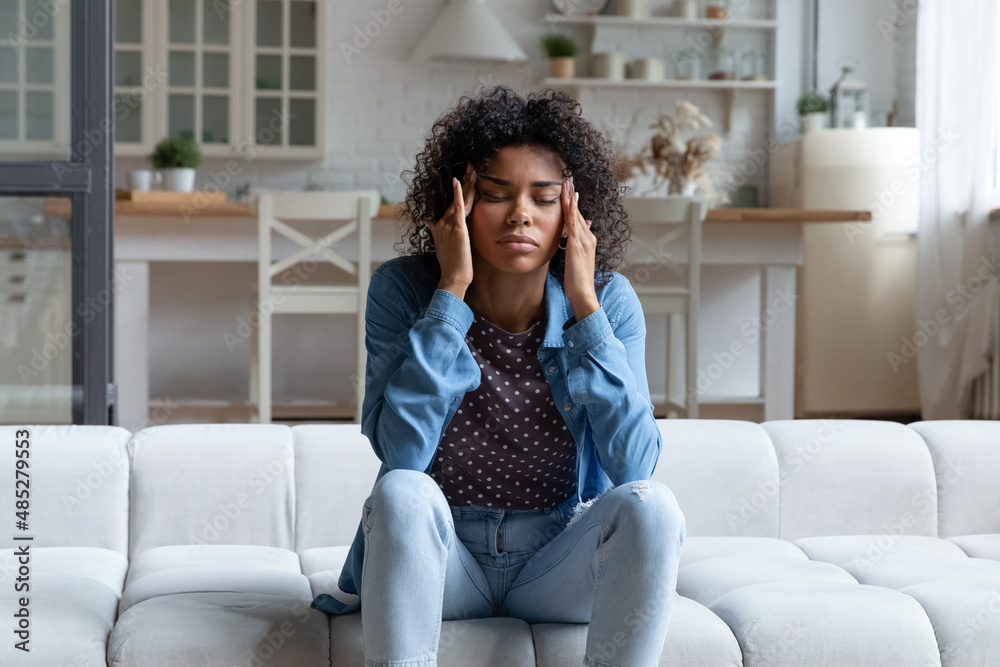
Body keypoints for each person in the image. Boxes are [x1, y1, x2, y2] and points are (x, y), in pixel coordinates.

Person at [311, 85, 686, 667]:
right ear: (457, 201)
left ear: (574, 211)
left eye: (543, 198)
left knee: (654, 505)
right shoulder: (404, 290)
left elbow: (635, 465)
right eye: (496, 194)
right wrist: (451, 294)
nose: (520, 214)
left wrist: (586, 310)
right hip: (443, 559)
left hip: (556, 563)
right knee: (401, 492)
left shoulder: (609, 302)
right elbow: (403, 453)